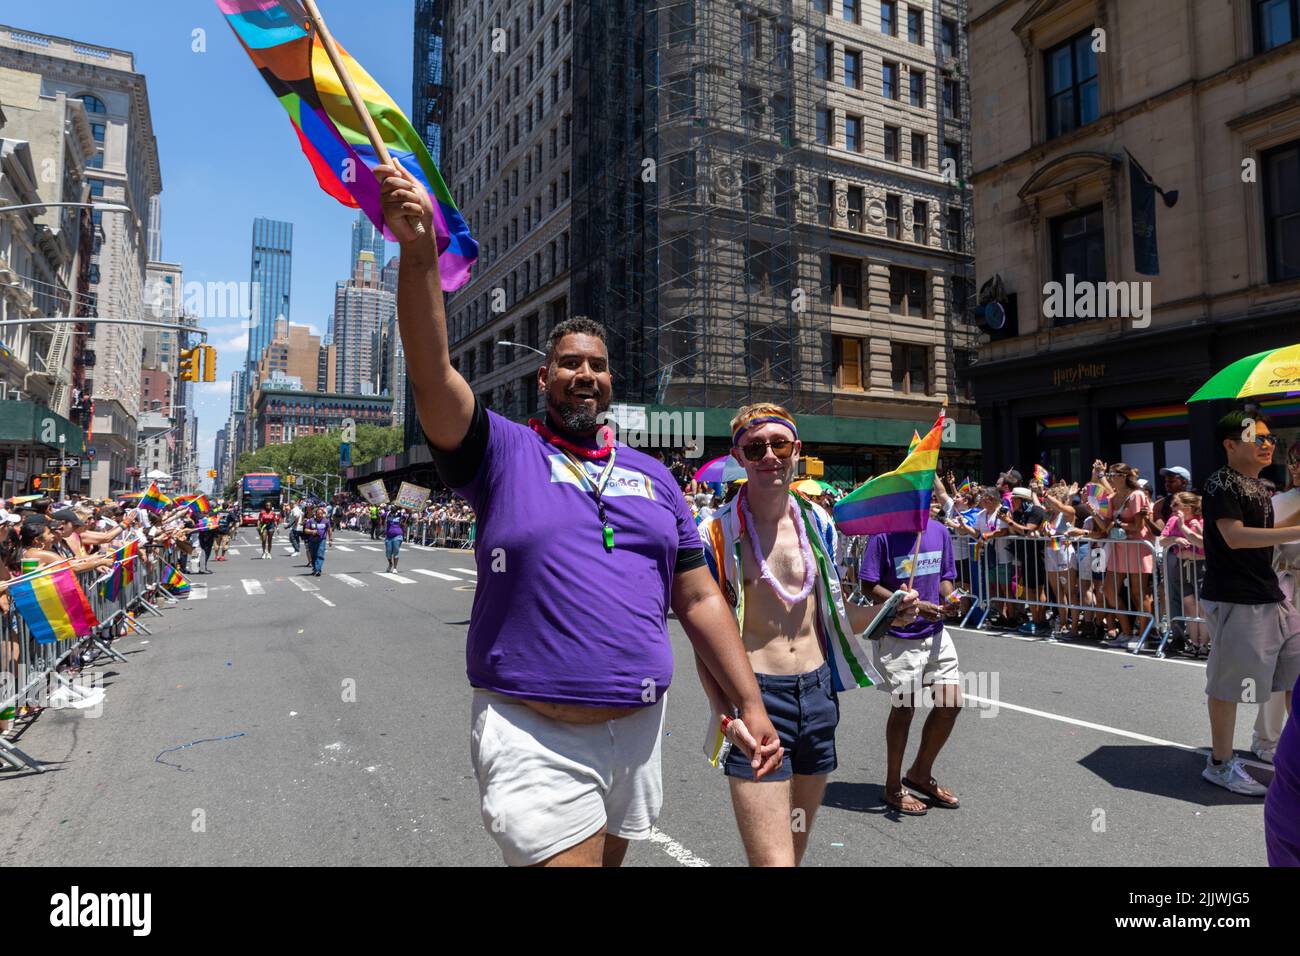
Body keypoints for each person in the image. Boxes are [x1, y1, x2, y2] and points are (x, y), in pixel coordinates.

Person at [379, 158, 782, 867]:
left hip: (637, 731)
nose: (584, 375)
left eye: (596, 365)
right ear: (545, 378)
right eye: (569, 363)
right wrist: (419, 254)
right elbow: (432, 372)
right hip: (533, 733)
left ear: (610, 381)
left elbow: (698, 596)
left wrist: (749, 701)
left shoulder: (655, 477)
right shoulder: (501, 452)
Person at [696, 403, 916, 866]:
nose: (769, 456)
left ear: (797, 450)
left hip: (817, 697)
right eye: (755, 448)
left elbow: (833, 614)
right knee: (773, 863)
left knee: (793, 852)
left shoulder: (818, 525)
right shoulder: (716, 533)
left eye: (779, 445)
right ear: (739, 455)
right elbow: (707, 635)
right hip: (756, 698)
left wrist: (886, 610)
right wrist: (723, 712)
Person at [1200, 411, 1300, 795]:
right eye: (1257, 438)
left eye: (1270, 437)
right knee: (1231, 684)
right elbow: (1236, 537)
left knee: (1294, 677)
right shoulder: (1220, 483)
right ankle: (1220, 763)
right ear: (1229, 444)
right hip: (1237, 598)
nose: (1267, 444)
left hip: (1271, 595)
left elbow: (1267, 535)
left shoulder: (1260, 486)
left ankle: (1290, 752)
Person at [860, 497, 961, 815]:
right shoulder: (883, 535)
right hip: (899, 638)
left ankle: (919, 773)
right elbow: (868, 585)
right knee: (904, 710)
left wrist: (951, 597)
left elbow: (946, 576)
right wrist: (910, 605)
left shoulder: (939, 531)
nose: (926, 500)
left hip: (935, 634)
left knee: (950, 703)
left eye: (930, 494)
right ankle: (892, 786)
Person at [1003, 486, 1048, 635]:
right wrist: (1007, 519)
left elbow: (1027, 530)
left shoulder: (1036, 511)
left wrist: (1009, 522)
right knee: (1029, 589)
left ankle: (1039, 621)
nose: (1012, 502)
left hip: (1037, 554)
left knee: (1038, 588)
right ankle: (1036, 620)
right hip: (1024, 555)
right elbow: (1013, 532)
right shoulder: (1016, 513)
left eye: (1015, 499)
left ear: (1023, 500)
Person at [301, 506, 331, 577]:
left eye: (321, 514)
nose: (320, 515)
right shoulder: (311, 521)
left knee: (320, 555)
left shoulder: (326, 521)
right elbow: (306, 530)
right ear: (316, 514)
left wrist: (330, 540)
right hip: (312, 540)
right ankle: (315, 569)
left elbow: (329, 530)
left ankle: (317, 570)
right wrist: (312, 531)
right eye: (319, 514)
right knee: (313, 556)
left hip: (321, 540)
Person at [385, 506, 406, 573]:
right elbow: (380, 516)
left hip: (398, 536)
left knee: (396, 552)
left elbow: (406, 518)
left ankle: (395, 568)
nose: (393, 509)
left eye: (395, 508)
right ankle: (390, 563)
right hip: (388, 536)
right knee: (388, 553)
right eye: (392, 508)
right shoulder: (387, 514)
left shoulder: (400, 515)